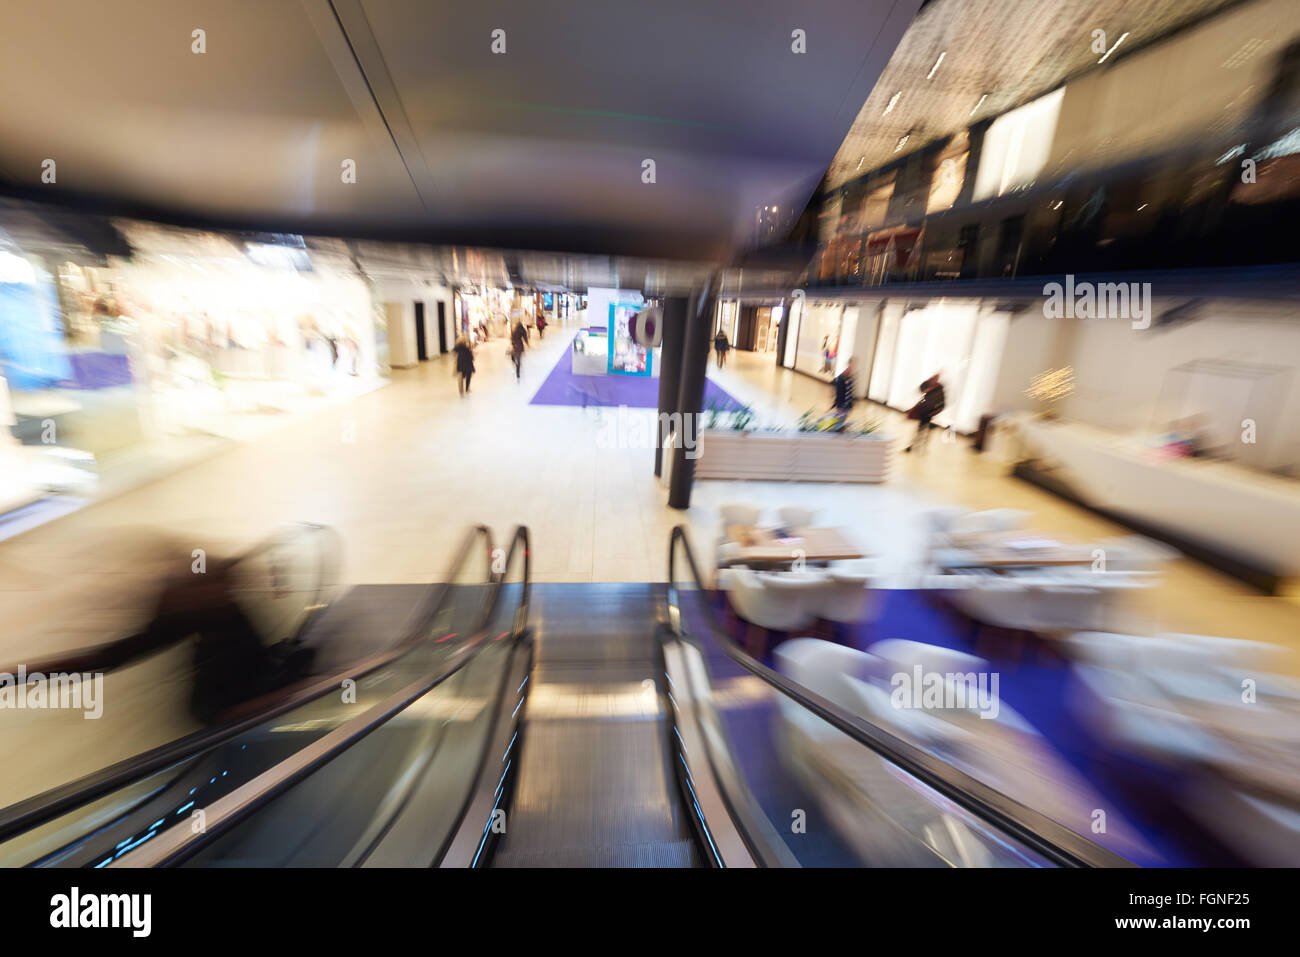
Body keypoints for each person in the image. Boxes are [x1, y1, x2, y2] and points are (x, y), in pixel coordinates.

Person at [905, 374, 945, 452]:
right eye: (933, 378)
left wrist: (934, 412)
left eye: (935, 378)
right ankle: (916, 445)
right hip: (924, 411)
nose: (934, 380)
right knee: (921, 429)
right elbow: (921, 390)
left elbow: (942, 404)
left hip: (929, 413)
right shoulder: (930, 386)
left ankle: (916, 445)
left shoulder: (939, 389)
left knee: (922, 429)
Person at [829, 356, 857, 430]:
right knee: (838, 421)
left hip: (847, 405)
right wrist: (838, 404)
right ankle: (833, 431)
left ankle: (836, 430)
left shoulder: (850, 377)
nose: (853, 367)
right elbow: (839, 392)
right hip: (842, 405)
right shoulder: (842, 377)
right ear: (848, 364)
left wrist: (851, 404)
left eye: (854, 365)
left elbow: (850, 391)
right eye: (852, 364)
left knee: (840, 420)